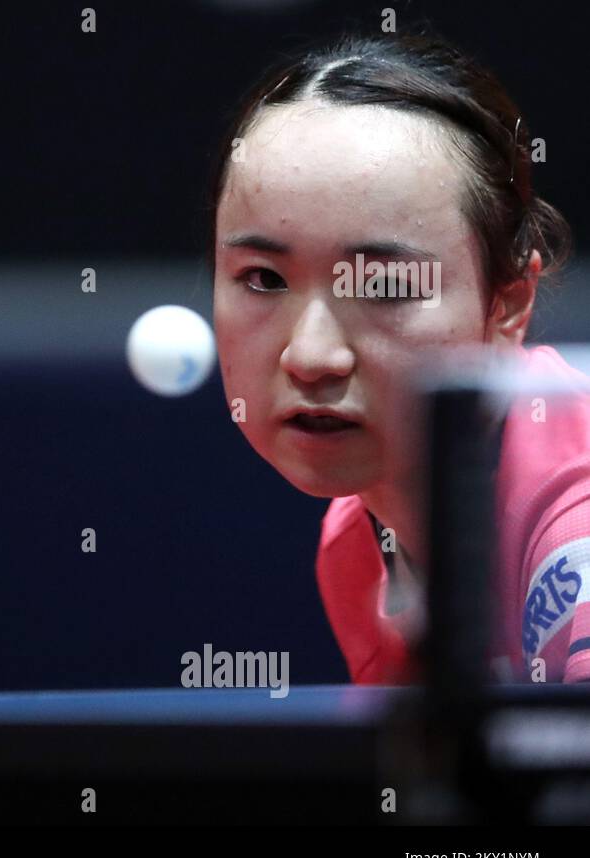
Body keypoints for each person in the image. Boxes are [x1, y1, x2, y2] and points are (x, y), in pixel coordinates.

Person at [208, 31, 590, 684]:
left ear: (508, 304)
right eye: (264, 279)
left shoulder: (573, 526)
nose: (312, 355)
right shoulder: (356, 544)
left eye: (383, 286)